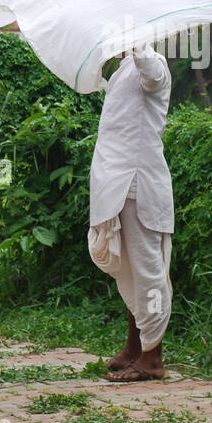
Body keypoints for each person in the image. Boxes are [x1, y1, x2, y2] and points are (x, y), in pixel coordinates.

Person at [87, 42, 174, 382]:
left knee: (148, 272)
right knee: (128, 269)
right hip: (119, 186)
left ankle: (153, 358)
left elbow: (151, 74)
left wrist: (136, 37)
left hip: (140, 186)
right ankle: (134, 348)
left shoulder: (154, 63)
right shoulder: (126, 68)